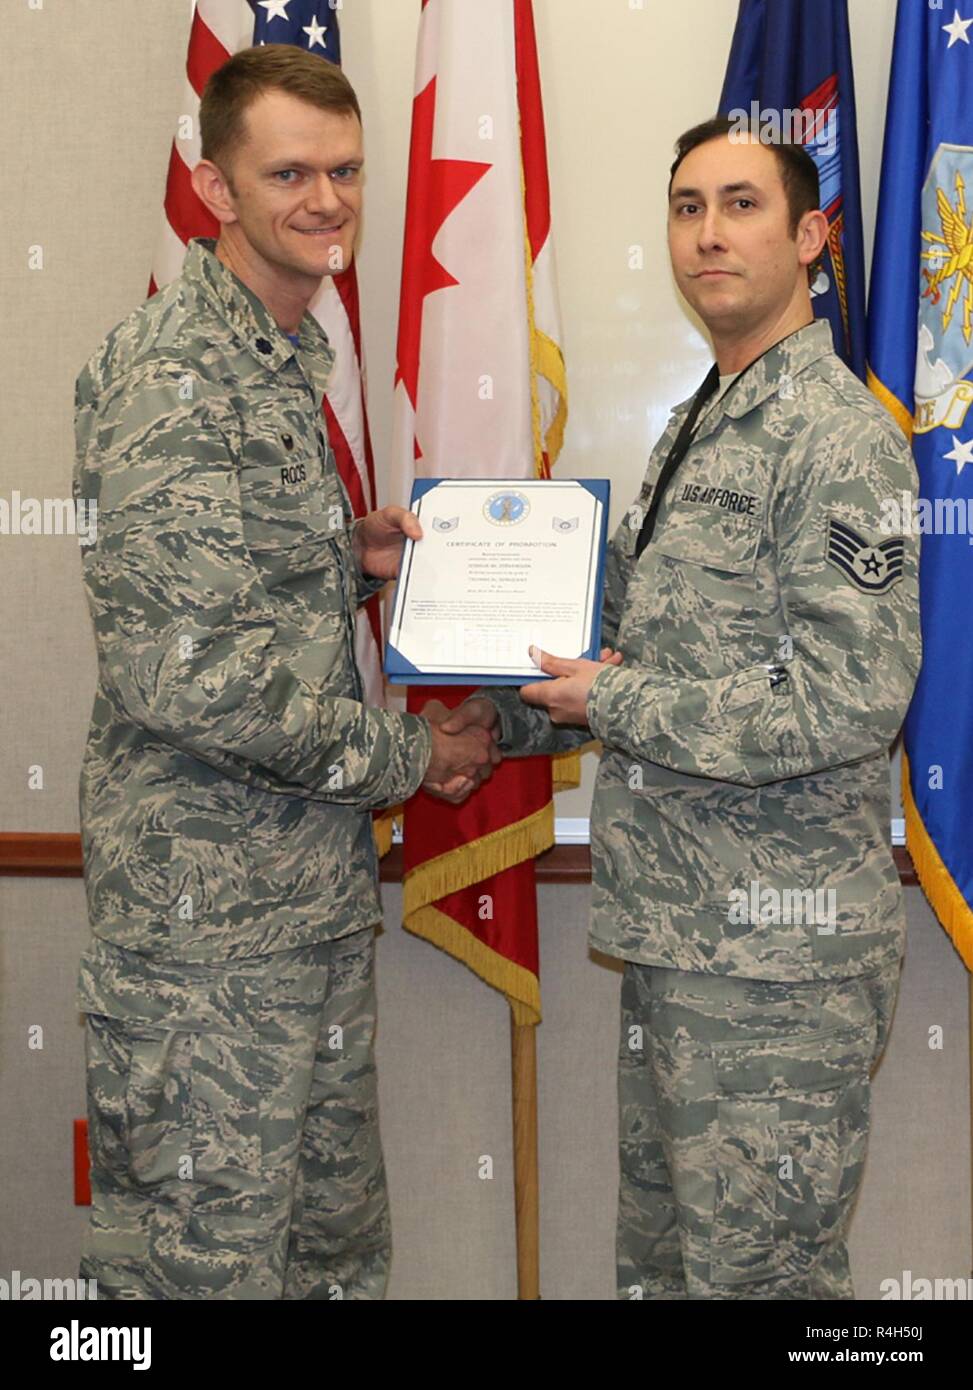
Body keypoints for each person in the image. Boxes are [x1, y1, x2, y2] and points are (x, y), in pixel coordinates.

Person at [436, 117, 921, 1299]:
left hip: (778, 969)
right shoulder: (702, 420)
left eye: (743, 205)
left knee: (762, 1285)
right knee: (666, 1276)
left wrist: (622, 697)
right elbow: (619, 657)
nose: (709, 233)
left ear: (810, 236)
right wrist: (467, 665)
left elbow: (849, 699)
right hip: (677, 944)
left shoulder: (837, 436)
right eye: (687, 206)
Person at [72, 44, 497, 1301]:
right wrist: (415, 756)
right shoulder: (175, 374)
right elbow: (192, 678)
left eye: (347, 171)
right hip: (205, 943)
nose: (326, 201)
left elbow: (234, 598)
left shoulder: (280, 355)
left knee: (329, 1263)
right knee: (194, 1278)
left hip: (303, 916)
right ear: (213, 189)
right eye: (289, 173)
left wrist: (344, 562)